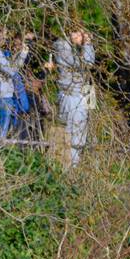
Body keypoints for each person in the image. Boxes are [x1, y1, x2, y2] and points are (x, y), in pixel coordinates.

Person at [52, 29, 95, 164]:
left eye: (82, 33)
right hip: (72, 96)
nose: (79, 36)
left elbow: (88, 73)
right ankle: (69, 168)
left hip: (84, 94)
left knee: (83, 134)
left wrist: (91, 103)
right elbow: (87, 63)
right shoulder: (62, 46)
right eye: (77, 32)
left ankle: (76, 165)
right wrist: (87, 44)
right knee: (72, 134)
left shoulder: (77, 48)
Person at [0, 26, 30, 140]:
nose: (5, 38)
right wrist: (23, 54)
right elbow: (11, 71)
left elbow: (6, 68)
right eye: (3, 35)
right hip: (1, 97)